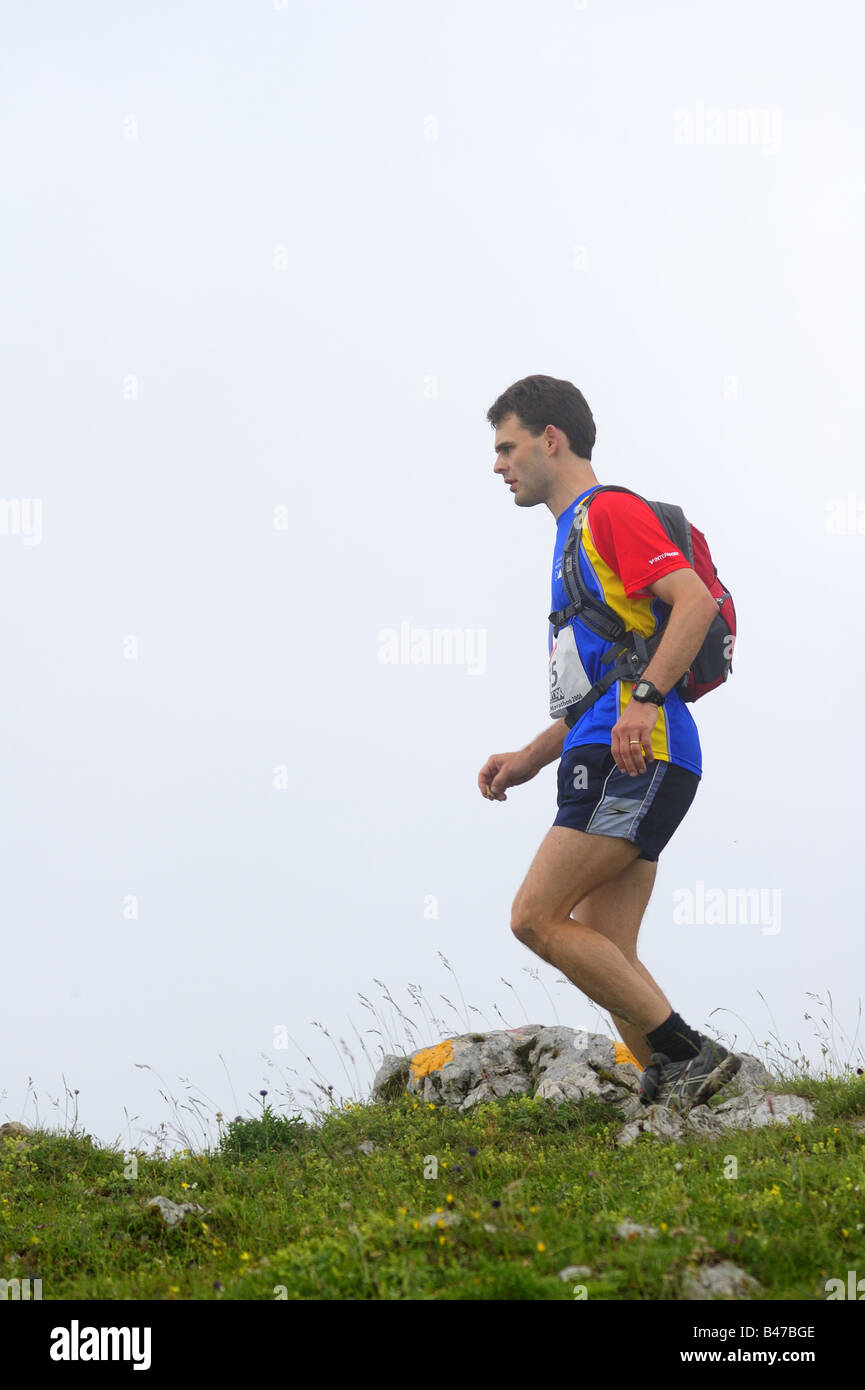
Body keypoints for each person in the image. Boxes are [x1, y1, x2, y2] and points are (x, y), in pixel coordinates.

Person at [478, 374, 740, 1113]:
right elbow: (600, 681)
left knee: (533, 917)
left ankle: (690, 1057)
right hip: (617, 744)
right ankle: (690, 1095)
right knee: (602, 944)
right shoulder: (572, 539)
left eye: (507, 447)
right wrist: (530, 757)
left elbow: (690, 602)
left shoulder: (607, 514)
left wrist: (647, 700)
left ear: (549, 440)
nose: (498, 465)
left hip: (635, 750)